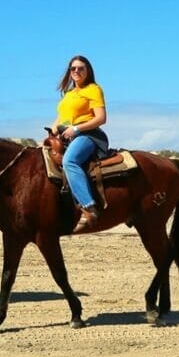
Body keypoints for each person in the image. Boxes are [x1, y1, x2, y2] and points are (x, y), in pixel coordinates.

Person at [50, 54, 109, 233]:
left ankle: (89, 207)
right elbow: (61, 117)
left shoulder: (93, 89)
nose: (76, 71)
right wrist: (53, 131)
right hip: (66, 135)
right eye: (73, 68)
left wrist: (76, 129)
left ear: (87, 71)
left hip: (89, 136)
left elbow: (101, 118)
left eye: (80, 68)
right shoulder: (69, 93)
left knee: (70, 161)